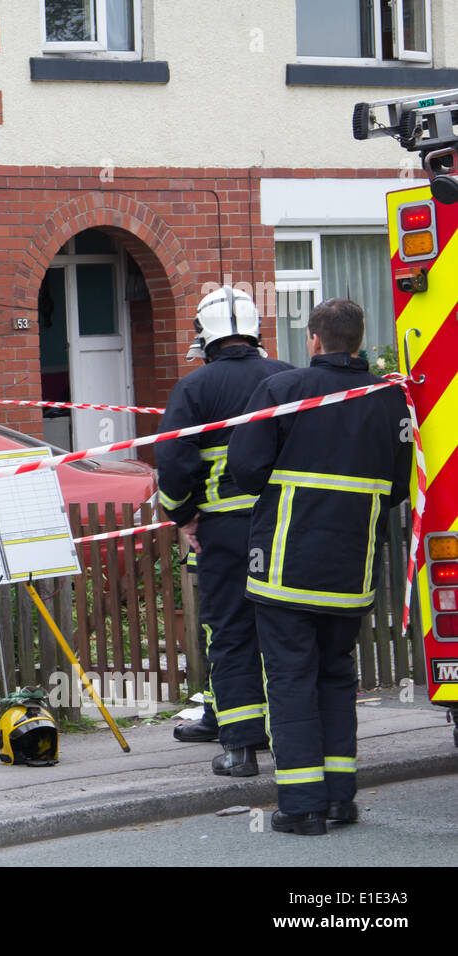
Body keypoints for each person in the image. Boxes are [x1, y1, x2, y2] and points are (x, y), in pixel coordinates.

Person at [228, 298, 412, 835]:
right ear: (357, 341)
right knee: (336, 678)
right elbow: (399, 485)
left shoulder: (284, 390)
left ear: (314, 339)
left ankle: (302, 806)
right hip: (350, 571)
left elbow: (246, 467)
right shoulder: (389, 399)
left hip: (286, 565)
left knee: (289, 679)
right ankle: (339, 800)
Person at [157, 286, 292, 772]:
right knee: (285, 630)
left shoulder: (195, 388)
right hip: (285, 528)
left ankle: (238, 748)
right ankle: (289, 737)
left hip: (225, 531)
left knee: (230, 630)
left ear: (205, 336)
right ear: (255, 330)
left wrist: (184, 514)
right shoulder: (286, 377)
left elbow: (172, 462)